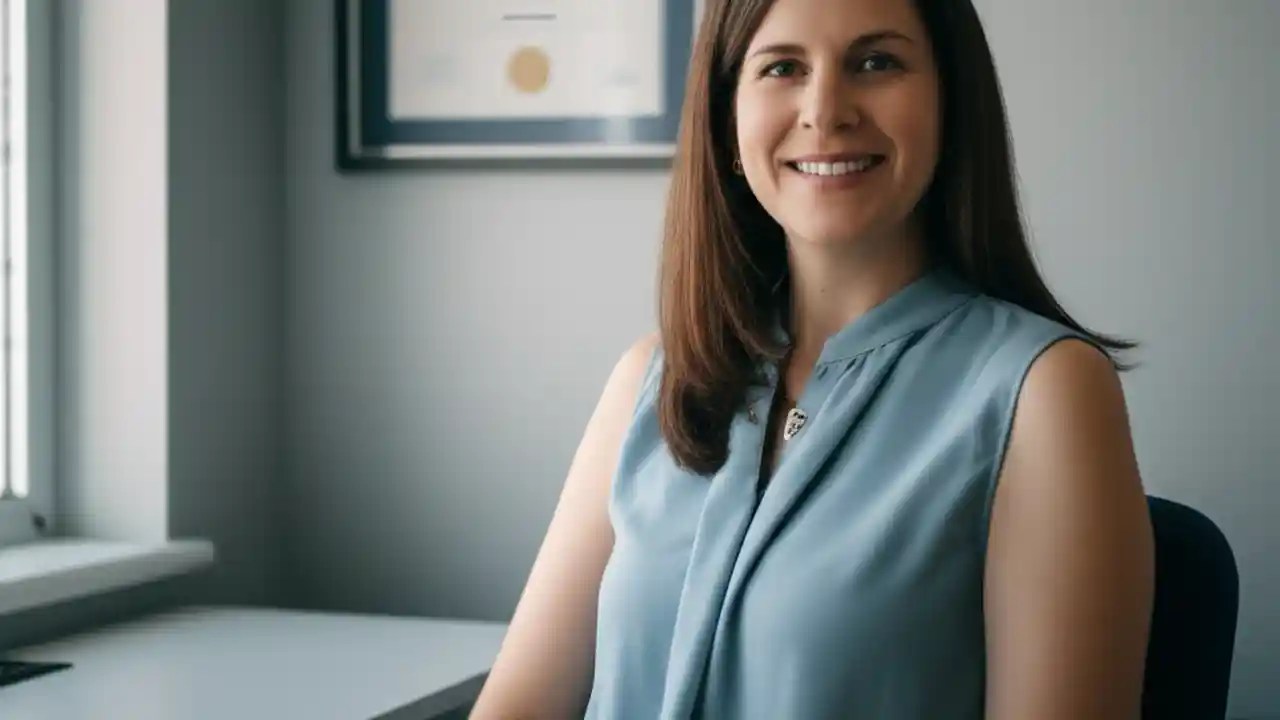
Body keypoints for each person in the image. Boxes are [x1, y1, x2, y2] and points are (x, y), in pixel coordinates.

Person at [472, 0, 1155, 717]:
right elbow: (519, 702)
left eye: (876, 62)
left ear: (951, 104)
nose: (825, 110)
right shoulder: (651, 380)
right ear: (728, 120)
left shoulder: (1043, 391)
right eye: (783, 68)